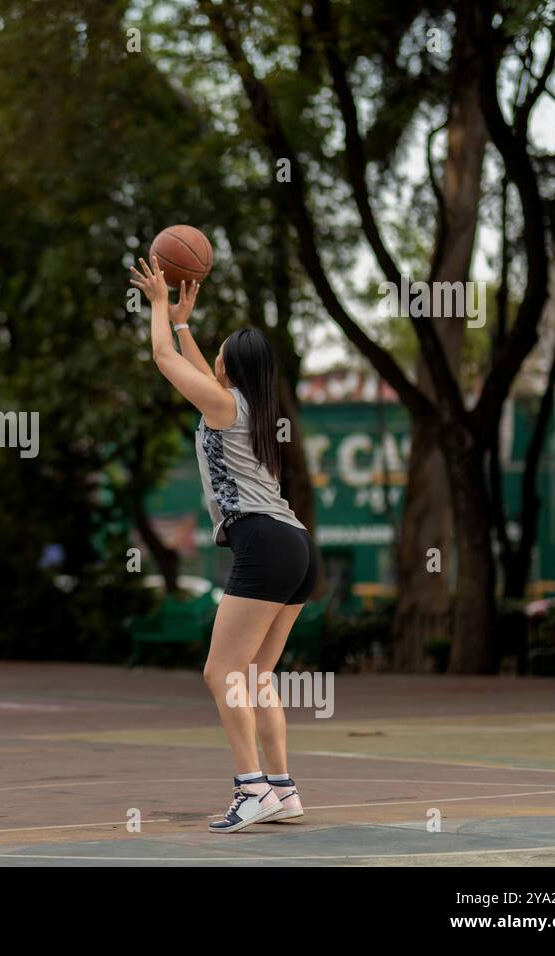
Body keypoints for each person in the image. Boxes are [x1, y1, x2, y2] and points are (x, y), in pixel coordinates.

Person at [130, 255, 317, 833]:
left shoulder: (223, 405)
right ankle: (282, 790)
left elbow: (162, 359)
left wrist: (159, 307)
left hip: (262, 543)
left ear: (229, 364)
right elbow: (196, 370)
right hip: (296, 547)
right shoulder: (253, 409)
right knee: (257, 676)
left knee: (222, 672)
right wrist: (185, 324)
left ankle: (251, 786)